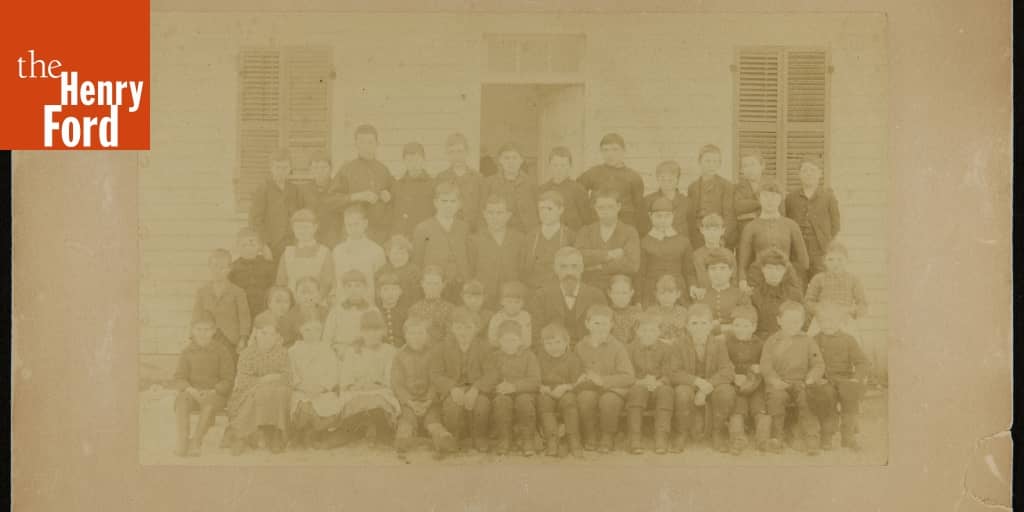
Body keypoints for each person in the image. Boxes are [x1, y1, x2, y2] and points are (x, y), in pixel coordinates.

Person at [759, 300, 827, 454]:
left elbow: (818, 364)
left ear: (803, 322)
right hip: (779, 383)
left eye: (797, 321)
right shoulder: (772, 341)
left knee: (808, 399)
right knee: (776, 399)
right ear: (779, 321)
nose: (792, 325)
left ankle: (811, 437)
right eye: (788, 321)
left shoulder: (808, 341)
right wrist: (775, 381)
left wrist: (810, 379)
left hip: (801, 383)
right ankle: (777, 436)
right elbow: (766, 365)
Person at [668, 304, 736, 453]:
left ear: (711, 325)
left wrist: (707, 386)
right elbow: (673, 372)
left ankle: (717, 432)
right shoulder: (679, 344)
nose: (699, 327)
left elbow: (728, 370)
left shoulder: (718, 344)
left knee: (726, 391)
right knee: (682, 393)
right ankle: (681, 433)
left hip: (711, 387)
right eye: (694, 323)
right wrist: (697, 382)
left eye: (704, 323)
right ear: (687, 326)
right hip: (690, 385)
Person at [227, 311, 293, 455]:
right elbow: (243, 379)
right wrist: (265, 380)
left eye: (271, 334)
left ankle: (277, 433)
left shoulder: (282, 352)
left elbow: (288, 376)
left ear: (276, 336)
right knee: (259, 394)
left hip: (276, 391)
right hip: (250, 391)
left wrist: (274, 380)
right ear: (255, 333)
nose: (267, 338)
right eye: (263, 333)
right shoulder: (247, 353)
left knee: (282, 392)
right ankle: (241, 435)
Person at [332, 310, 400, 448]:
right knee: (355, 402)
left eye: (376, 330)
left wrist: (374, 385)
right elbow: (346, 377)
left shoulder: (390, 351)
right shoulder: (353, 351)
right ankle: (351, 430)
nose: (373, 335)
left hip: (380, 390)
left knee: (377, 402)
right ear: (361, 332)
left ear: (383, 331)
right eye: (368, 331)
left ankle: (382, 431)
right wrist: (356, 385)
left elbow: (390, 378)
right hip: (357, 390)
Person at [391, 315, 458, 456]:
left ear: (427, 335)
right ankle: (404, 438)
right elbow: (397, 384)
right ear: (405, 336)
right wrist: (410, 402)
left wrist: (428, 401)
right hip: (408, 402)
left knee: (433, 420)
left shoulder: (434, 353)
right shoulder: (399, 356)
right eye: (412, 333)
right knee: (407, 419)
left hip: (430, 400)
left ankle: (442, 438)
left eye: (420, 333)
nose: (416, 337)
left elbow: (436, 380)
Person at [171, 311, 235, 457]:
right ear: (192, 330)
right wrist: (190, 389)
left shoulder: (222, 351)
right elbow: (179, 377)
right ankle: (182, 440)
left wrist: (214, 390)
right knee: (182, 400)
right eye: (199, 329)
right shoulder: (187, 352)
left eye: (207, 330)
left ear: (214, 331)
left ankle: (196, 442)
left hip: (215, 394)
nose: (202, 333)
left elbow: (228, 379)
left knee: (208, 404)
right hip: (193, 393)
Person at [574, 304, 636, 453]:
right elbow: (575, 371)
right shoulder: (580, 346)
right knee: (585, 398)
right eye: (596, 323)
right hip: (589, 388)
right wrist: (580, 377)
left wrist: (604, 381)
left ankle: (608, 436)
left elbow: (629, 377)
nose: (600, 328)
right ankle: (590, 435)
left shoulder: (617, 347)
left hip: (613, 390)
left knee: (609, 401)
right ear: (587, 324)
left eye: (605, 324)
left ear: (611, 325)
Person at [430, 307, 491, 452]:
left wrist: (476, 388)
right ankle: (454, 437)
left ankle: (479, 436)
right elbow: (435, 374)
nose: (463, 332)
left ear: (476, 328)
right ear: (452, 328)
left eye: (468, 328)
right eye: (459, 328)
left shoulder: (484, 347)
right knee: (452, 406)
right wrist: (452, 388)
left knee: (482, 404)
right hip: (454, 389)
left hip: (476, 389)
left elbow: (492, 373)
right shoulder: (442, 348)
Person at [811, 302, 871, 451]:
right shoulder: (814, 340)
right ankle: (827, 436)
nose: (828, 324)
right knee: (827, 396)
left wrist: (856, 378)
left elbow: (862, 362)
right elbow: (808, 362)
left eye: (832, 320)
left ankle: (848, 437)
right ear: (819, 322)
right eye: (824, 321)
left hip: (845, 379)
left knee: (850, 395)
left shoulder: (848, 340)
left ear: (840, 321)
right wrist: (816, 377)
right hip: (825, 380)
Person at [478, 320, 542, 455]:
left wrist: (515, 386)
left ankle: (528, 440)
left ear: (520, 341)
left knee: (524, 401)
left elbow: (535, 381)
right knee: (501, 401)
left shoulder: (529, 356)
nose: (509, 344)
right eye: (505, 340)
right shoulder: (494, 357)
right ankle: (504, 439)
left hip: (525, 393)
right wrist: (499, 387)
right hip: (502, 393)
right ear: (499, 342)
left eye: (513, 340)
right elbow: (489, 377)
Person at [737, 181, 809, 287]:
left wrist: (795, 280)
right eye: (765, 196)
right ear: (759, 199)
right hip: (758, 281)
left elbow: (803, 260)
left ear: (780, 199)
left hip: (786, 280)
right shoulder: (750, 227)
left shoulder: (791, 225)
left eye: (774, 196)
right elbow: (743, 262)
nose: (770, 200)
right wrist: (742, 281)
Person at [530, 246, 608, 343]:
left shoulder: (596, 296)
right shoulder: (541, 296)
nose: (569, 272)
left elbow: (603, 332)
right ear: (555, 269)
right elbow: (537, 335)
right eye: (563, 266)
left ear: (582, 268)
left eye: (574, 266)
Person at [287, 310, 340, 449]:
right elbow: (290, 373)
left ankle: (313, 433)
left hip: (321, 391)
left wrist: (322, 387)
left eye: (316, 329)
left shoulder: (327, 349)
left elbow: (333, 373)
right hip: (302, 390)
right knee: (303, 408)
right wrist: (302, 386)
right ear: (300, 330)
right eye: (307, 330)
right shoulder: (293, 351)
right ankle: (300, 432)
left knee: (327, 409)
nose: (312, 333)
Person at [411, 181, 471, 302]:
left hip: (460, 286)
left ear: (459, 204)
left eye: (453, 201)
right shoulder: (423, 228)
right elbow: (417, 262)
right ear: (435, 203)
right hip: (435, 287)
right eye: (444, 201)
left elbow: (468, 257)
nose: (448, 205)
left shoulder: (464, 227)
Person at [625, 313, 675, 454]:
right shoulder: (629, 349)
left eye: (652, 330)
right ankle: (635, 437)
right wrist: (639, 381)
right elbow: (626, 372)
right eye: (644, 330)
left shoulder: (667, 349)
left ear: (659, 332)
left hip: (659, 386)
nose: (648, 334)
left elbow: (670, 372)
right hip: (637, 387)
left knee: (666, 392)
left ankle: (661, 437)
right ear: (637, 331)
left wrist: (659, 382)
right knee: (637, 391)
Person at [333, 124, 394, 241]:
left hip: (379, 234)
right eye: (362, 142)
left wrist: (388, 197)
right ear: (356, 144)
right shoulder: (346, 169)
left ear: (377, 144)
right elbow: (331, 200)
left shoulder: (384, 170)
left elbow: (393, 198)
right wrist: (356, 196)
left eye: (370, 142)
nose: (366, 147)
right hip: (353, 234)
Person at [785, 155, 841, 282]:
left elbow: (836, 224)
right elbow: (786, 222)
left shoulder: (828, 197)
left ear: (820, 174)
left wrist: (825, 241)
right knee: (798, 282)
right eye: (805, 170)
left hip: (820, 249)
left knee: (821, 281)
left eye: (812, 170)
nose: (808, 174)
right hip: (797, 249)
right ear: (799, 174)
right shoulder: (791, 198)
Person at [575, 189, 641, 292]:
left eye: (610, 207)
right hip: (590, 286)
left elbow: (632, 265)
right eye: (601, 207)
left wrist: (599, 266)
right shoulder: (586, 231)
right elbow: (579, 257)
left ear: (618, 207)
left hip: (619, 290)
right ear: (595, 208)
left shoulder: (629, 232)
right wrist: (608, 254)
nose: (605, 211)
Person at [723, 305, 767, 454]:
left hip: (755, 384)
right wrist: (734, 376)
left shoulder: (760, 344)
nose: (741, 329)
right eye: (737, 325)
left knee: (759, 408)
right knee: (738, 409)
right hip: (736, 385)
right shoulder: (727, 343)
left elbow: (765, 365)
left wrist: (755, 371)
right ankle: (737, 439)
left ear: (754, 327)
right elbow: (724, 363)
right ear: (732, 326)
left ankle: (763, 439)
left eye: (745, 326)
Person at [193, 248, 251, 359]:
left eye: (222, 267)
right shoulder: (202, 292)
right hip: (208, 339)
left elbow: (244, 317)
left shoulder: (238, 292)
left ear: (229, 269)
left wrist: (243, 339)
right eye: (214, 266)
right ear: (209, 267)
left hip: (231, 341)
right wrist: (194, 338)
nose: (217, 271)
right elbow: (196, 317)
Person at [536, 322, 583, 457]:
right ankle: (552, 440)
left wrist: (566, 387)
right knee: (544, 403)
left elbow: (577, 382)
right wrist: (541, 387)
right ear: (543, 345)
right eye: (549, 344)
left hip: (566, 391)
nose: (554, 347)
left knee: (569, 402)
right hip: (546, 392)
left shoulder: (573, 359)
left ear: (566, 342)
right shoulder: (540, 359)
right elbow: (534, 378)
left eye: (558, 342)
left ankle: (574, 439)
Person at [578, 133, 645, 228]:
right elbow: (577, 194)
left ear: (623, 151)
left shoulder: (633, 177)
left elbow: (639, 208)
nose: (610, 154)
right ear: (601, 152)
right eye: (606, 150)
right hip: (597, 224)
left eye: (615, 149)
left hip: (624, 225)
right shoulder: (592, 173)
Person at [468, 194, 526, 305]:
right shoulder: (474, 240)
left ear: (508, 215)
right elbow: (471, 273)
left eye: (499, 213)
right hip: (485, 299)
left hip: (512, 300)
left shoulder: (519, 239)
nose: (495, 217)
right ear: (484, 214)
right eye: (491, 213)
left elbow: (523, 271)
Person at [640, 196, 696, 307]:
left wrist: (692, 286)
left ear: (673, 216)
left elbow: (689, 272)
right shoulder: (644, 242)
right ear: (650, 216)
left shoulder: (683, 242)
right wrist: (638, 299)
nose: (663, 220)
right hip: (652, 292)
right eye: (658, 216)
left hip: (677, 292)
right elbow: (640, 275)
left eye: (667, 216)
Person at [250, 148, 304, 261]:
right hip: (271, 246)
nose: (281, 171)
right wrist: (263, 246)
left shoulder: (295, 190)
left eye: (285, 168)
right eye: (277, 167)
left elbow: (299, 218)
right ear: (271, 169)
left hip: (291, 245)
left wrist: (298, 242)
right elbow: (255, 220)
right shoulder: (263, 188)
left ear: (290, 169)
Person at [804, 241, 868, 336]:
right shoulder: (818, 278)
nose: (835, 263)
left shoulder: (853, 280)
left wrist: (850, 310)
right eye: (830, 260)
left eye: (840, 260)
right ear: (824, 261)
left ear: (847, 260)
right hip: (822, 320)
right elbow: (808, 302)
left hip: (845, 320)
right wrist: (820, 310)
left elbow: (862, 304)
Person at [522, 190, 575, 291]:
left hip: (559, 290)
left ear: (561, 210)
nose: (544, 213)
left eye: (550, 209)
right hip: (533, 290)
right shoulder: (530, 237)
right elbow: (523, 269)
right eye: (541, 209)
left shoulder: (570, 236)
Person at [332, 203, 386, 303]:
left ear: (365, 224)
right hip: (343, 305)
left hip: (367, 304)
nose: (353, 229)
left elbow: (380, 283)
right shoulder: (338, 250)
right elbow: (335, 281)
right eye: (349, 225)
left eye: (356, 224)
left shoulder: (376, 250)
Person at [686, 144, 737, 249]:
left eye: (715, 162)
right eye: (707, 161)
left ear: (719, 164)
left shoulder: (726, 186)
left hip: (719, 237)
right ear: (700, 162)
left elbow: (729, 216)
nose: (711, 165)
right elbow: (691, 217)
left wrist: (722, 238)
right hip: (698, 238)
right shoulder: (693, 187)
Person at [275, 209, 334, 297]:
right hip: (292, 302)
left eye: (306, 227)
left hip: (316, 302)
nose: (302, 231)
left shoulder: (324, 252)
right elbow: (281, 283)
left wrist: (314, 300)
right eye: (298, 228)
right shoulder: (287, 253)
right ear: (293, 229)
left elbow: (327, 283)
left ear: (315, 227)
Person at [748, 248, 804, 339]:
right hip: (762, 342)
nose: (773, 273)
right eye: (769, 268)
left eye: (778, 269)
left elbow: (802, 323)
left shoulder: (795, 294)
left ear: (785, 271)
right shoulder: (754, 295)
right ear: (762, 269)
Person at [480, 143, 539, 231]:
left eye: (514, 158)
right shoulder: (489, 183)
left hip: (526, 233)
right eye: (506, 158)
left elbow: (538, 211)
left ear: (521, 160)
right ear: (500, 160)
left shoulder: (531, 183)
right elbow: (482, 212)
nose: (510, 162)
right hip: (499, 233)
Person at [435, 133, 485, 232]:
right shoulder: (441, 178)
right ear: (447, 154)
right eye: (452, 152)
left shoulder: (477, 178)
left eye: (460, 151)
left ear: (467, 152)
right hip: (449, 230)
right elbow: (437, 208)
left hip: (472, 230)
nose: (456, 156)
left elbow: (482, 208)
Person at [322, 269, 378, 354]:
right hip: (340, 352)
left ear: (365, 287)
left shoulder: (372, 310)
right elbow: (327, 337)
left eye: (357, 286)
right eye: (349, 286)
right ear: (344, 288)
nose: (353, 290)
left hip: (365, 351)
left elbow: (376, 336)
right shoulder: (336, 310)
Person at [300, 150, 348, 248]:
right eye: (316, 167)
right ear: (310, 169)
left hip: (334, 239)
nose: (319, 171)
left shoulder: (339, 188)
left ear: (330, 169)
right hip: (310, 239)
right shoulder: (304, 190)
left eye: (323, 167)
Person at [733, 149, 785, 239]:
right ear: (742, 170)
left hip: (769, 233)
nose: (750, 169)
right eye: (745, 166)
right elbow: (738, 206)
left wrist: (751, 215)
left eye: (753, 164)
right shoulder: (738, 187)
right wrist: (762, 204)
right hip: (745, 234)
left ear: (762, 166)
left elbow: (780, 212)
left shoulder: (773, 185)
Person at [697, 248, 752, 332]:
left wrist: (720, 328)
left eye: (722, 268)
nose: (717, 273)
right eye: (713, 268)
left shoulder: (740, 295)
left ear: (731, 271)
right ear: (707, 272)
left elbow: (747, 322)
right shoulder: (701, 295)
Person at [538, 146, 590, 231]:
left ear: (570, 166)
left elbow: (587, 220)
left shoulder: (578, 189)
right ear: (549, 166)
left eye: (563, 165)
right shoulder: (542, 190)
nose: (559, 169)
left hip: (573, 237)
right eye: (555, 165)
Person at [390, 142, 437, 237]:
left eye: (417, 160)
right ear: (404, 161)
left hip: (426, 236)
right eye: (409, 160)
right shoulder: (397, 185)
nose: (413, 164)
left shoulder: (433, 184)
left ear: (423, 160)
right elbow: (394, 214)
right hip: (404, 236)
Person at [229, 227, 277, 317]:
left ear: (259, 246)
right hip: (241, 309)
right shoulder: (233, 267)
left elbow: (273, 286)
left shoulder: (267, 265)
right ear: (237, 247)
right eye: (244, 245)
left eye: (252, 245)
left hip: (263, 307)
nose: (248, 248)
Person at [689, 213, 738, 301]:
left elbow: (734, 279)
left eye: (715, 230)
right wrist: (694, 287)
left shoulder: (728, 254)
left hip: (724, 297)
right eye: (708, 229)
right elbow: (692, 275)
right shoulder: (696, 255)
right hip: (703, 297)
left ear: (722, 231)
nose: (711, 233)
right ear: (702, 230)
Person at [407, 265, 456, 346]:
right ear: (422, 284)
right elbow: (410, 335)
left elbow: (451, 337)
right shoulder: (414, 309)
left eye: (436, 284)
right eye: (428, 283)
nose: (432, 287)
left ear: (443, 285)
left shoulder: (451, 309)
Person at [638, 160, 690, 237]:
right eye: (662, 179)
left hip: (680, 245)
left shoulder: (686, 202)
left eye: (670, 179)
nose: (666, 182)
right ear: (657, 179)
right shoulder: (648, 201)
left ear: (677, 179)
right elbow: (643, 228)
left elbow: (691, 229)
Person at [279, 276, 328, 348]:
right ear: (296, 295)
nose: (307, 297)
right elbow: (286, 343)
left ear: (318, 294)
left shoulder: (327, 313)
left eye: (311, 292)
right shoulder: (288, 317)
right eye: (303, 293)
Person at [378, 234, 421, 309]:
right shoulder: (382, 271)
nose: (399, 257)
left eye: (403, 253)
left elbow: (417, 296)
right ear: (388, 254)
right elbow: (378, 294)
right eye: (395, 253)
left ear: (409, 254)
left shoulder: (414, 271)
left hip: (409, 308)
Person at [486, 280, 532, 349]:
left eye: (517, 302)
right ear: (502, 302)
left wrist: (516, 347)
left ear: (523, 303)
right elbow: (492, 340)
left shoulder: (525, 316)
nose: (513, 305)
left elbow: (527, 341)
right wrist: (506, 346)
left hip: (519, 350)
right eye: (509, 302)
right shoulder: (497, 318)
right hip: (501, 349)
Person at [644, 274, 688, 344]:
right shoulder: (651, 312)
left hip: (678, 348)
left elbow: (687, 335)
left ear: (678, 294)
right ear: (656, 295)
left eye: (671, 292)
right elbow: (646, 334)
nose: (667, 297)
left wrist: (675, 341)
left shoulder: (683, 312)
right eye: (662, 293)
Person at [376, 272, 407, 348]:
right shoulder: (376, 313)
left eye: (394, 289)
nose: (390, 293)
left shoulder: (406, 313)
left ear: (400, 291)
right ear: (379, 292)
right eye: (386, 289)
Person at [608, 274, 642, 344]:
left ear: (631, 293)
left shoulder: (637, 312)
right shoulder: (606, 314)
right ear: (609, 293)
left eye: (624, 293)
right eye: (617, 293)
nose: (621, 297)